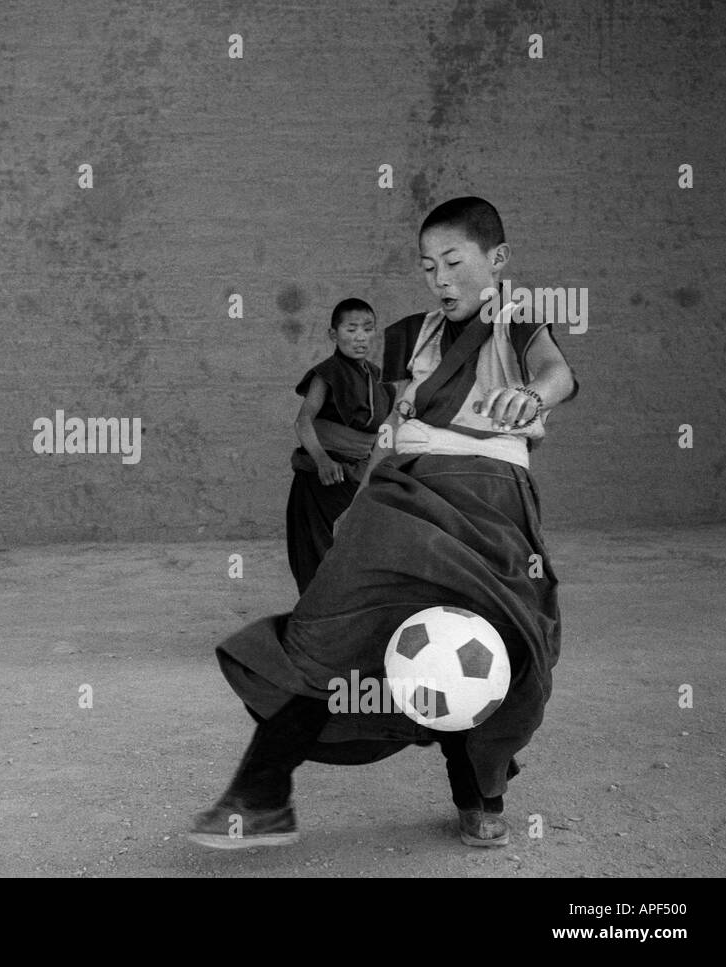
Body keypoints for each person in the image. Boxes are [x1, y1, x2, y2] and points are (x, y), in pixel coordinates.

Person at [190, 196, 578, 850]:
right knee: (329, 633)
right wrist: (356, 510)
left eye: (454, 261)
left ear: (498, 260)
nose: (441, 279)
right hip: (402, 503)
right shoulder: (405, 336)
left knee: (497, 646)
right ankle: (260, 794)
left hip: (496, 507)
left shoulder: (521, 326)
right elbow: (383, 430)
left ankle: (480, 793)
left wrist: (532, 395)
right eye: (428, 267)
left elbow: (556, 374)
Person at [287, 298, 393, 595]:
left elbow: (387, 433)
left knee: (361, 551)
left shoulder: (379, 378)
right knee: (321, 555)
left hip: (360, 477)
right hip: (323, 480)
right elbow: (303, 421)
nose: (360, 337)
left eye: (367, 329)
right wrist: (322, 460)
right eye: (351, 329)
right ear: (334, 334)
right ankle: (317, 622)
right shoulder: (327, 373)